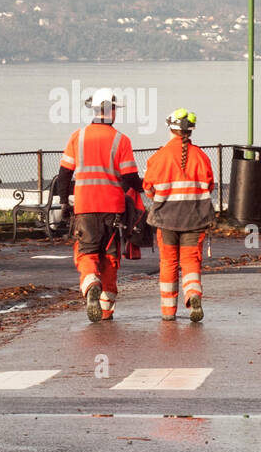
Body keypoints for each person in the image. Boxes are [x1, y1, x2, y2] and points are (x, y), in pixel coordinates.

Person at [56, 88, 144, 322]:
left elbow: (64, 174)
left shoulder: (78, 136)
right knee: (110, 257)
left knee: (86, 252)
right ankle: (105, 310)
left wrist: (64, 202)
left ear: (94, 110)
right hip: (113, 208)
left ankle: (90, 282)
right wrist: (145, 187)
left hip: (84, 206)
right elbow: (129, 177)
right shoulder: (121, 140)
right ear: (112, 111)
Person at [142, 108, 216, 322]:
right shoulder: (202, 157)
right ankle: (193, 294)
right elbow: (209, 187)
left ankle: (168, 311)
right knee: (191, 261)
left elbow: (148, 188)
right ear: (190, 131)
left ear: (171, 129)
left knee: (168, 263)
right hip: (196, 218)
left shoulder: (159, 157)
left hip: (166, 220)